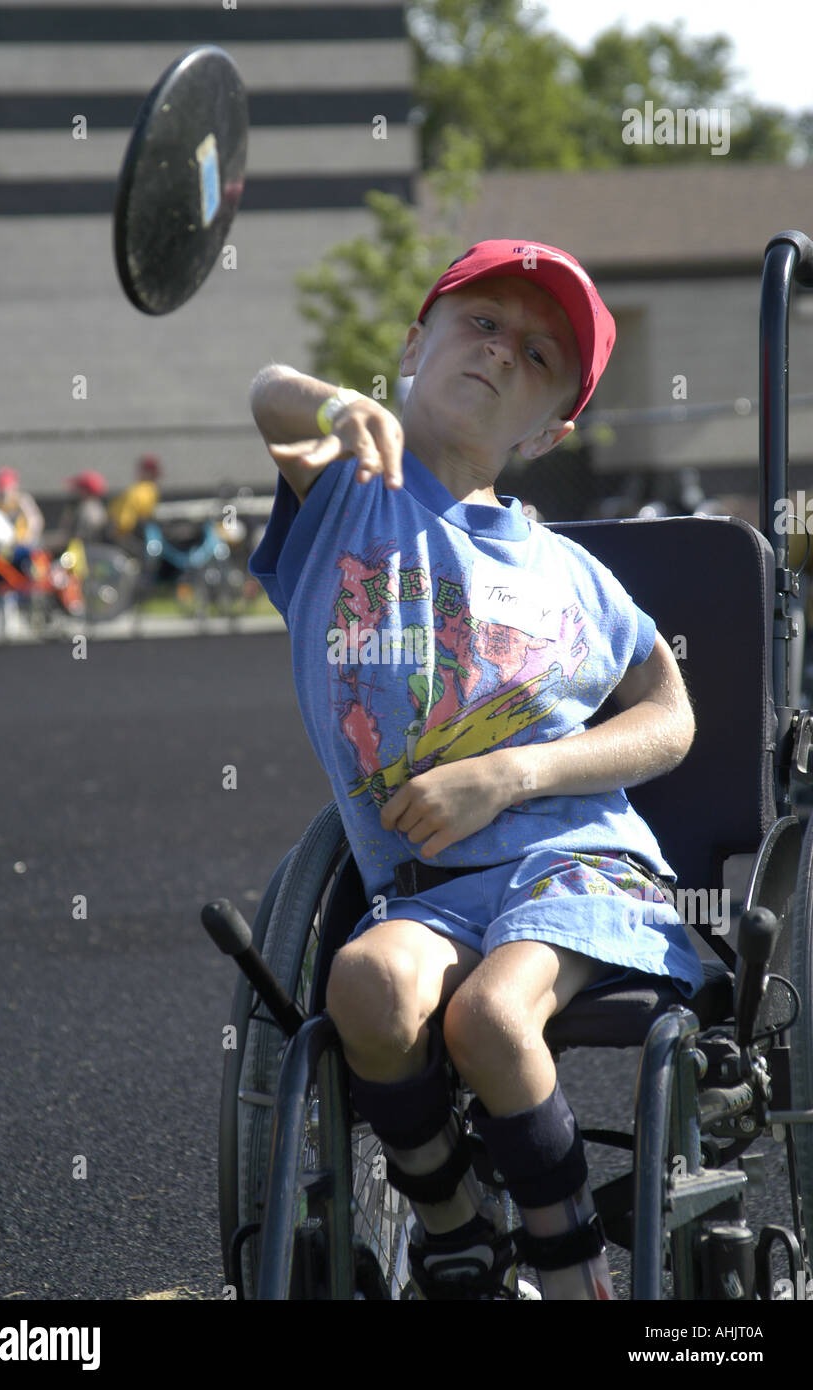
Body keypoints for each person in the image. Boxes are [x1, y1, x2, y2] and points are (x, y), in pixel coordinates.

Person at [247, 239, 702, 1301]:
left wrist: (511, 776)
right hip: (430, 889)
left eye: (538, 354)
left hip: (576, 864)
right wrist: (329, 404)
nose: (501, 352)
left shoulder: (578, 578)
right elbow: (267, 395)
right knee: (366, 984)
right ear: (415, 344)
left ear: (550, 429)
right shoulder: (348, 502)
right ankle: (456, 1231)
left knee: (494, 1018)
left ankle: (577, 1266)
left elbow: (670, 715)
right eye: (480, 323)